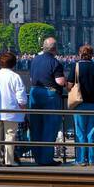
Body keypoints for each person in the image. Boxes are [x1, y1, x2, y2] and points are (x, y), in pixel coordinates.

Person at [26, 37, 68, 166]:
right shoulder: (55, 63)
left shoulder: (35, 60)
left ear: (43, 47)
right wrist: (67, 83)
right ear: (55, 49)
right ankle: (46, 159)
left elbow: (32, 78)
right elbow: (59, 81)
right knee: (50, 127)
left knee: (35, 127)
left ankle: (37, 157)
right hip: (50, 95)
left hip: (34, 93)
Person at [0, 51, 28, 166]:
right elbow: (21, 98)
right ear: (14, 63)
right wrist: (23, 108)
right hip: (11, 111)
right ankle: (9, 161)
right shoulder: (15, 77)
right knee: (10, 136)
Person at [70, 44, 94, 166]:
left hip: (79, 103)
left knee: (80, 132)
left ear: (80, 54)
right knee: (92, 131)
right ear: (92, 55)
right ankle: (92, 159)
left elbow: (69, 85)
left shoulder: (75, 67)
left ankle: (80, 159)